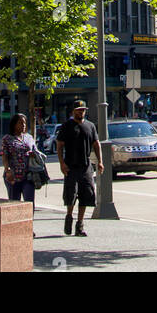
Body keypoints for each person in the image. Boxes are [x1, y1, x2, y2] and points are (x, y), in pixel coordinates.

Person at [56, 101, 102, 238]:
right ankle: (69, 216)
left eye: (83, 110)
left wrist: (100, 162)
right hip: (71, 166)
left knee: (86, 194)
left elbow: (96, 143)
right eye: (78, 110)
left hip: (86, 166)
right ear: (73, 111)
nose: (81, 112)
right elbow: (59, 145)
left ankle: (80, 224)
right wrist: (62, 163)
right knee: (71, 195)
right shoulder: (66, 126)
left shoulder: (90, 126)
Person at [1, 113, 37, 209]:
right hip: (13, 177)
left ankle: (29, 222)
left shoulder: (29, 138)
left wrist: (33, 154)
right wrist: (7, 170)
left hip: (28, 176)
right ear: (14, 124)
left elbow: (36, 152)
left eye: (24, 123)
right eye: (21, 123)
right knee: (14, 203)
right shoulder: (7, 139)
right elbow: (4, 156)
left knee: (29, 203)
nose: (23, 125)